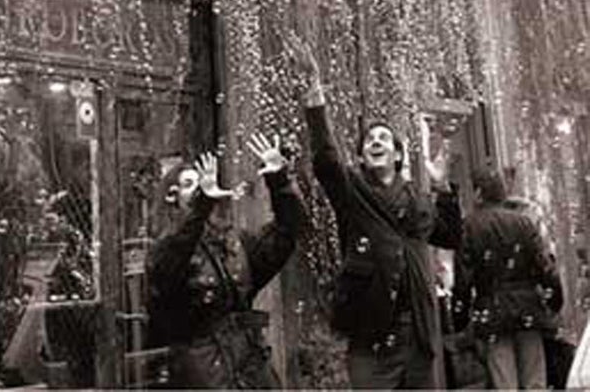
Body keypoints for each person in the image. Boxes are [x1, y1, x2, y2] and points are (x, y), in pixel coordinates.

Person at [293, 38, 462, 390]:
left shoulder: (417, 199)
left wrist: (445, 188)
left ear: (398, 156)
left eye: (385, 137)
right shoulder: (353, 194)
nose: (376, 141)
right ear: (360, 158)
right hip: (371, 339)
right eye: (370, 139)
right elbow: (326, 160)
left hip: (417, 333)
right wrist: (314, 96)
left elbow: (450, 235)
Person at [146, 133, 304, 388]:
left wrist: (279, 180)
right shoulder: (165, 249)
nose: (201, 188)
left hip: (250, 365)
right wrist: (202, 206)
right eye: (190, 184)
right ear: (171, 197)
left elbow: (287, 233)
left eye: (204, 183)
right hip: (200, 374)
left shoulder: (234, 243)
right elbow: (168, 269)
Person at [454, 169, 563, 390]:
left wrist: (460, 318)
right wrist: (554, 301)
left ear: (477, 193)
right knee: (535, 380)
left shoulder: (471, 226)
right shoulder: (524, 223)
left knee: (504, 381)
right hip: (528, 308)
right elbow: (545, 268)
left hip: (492, 311)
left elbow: (463, 279)